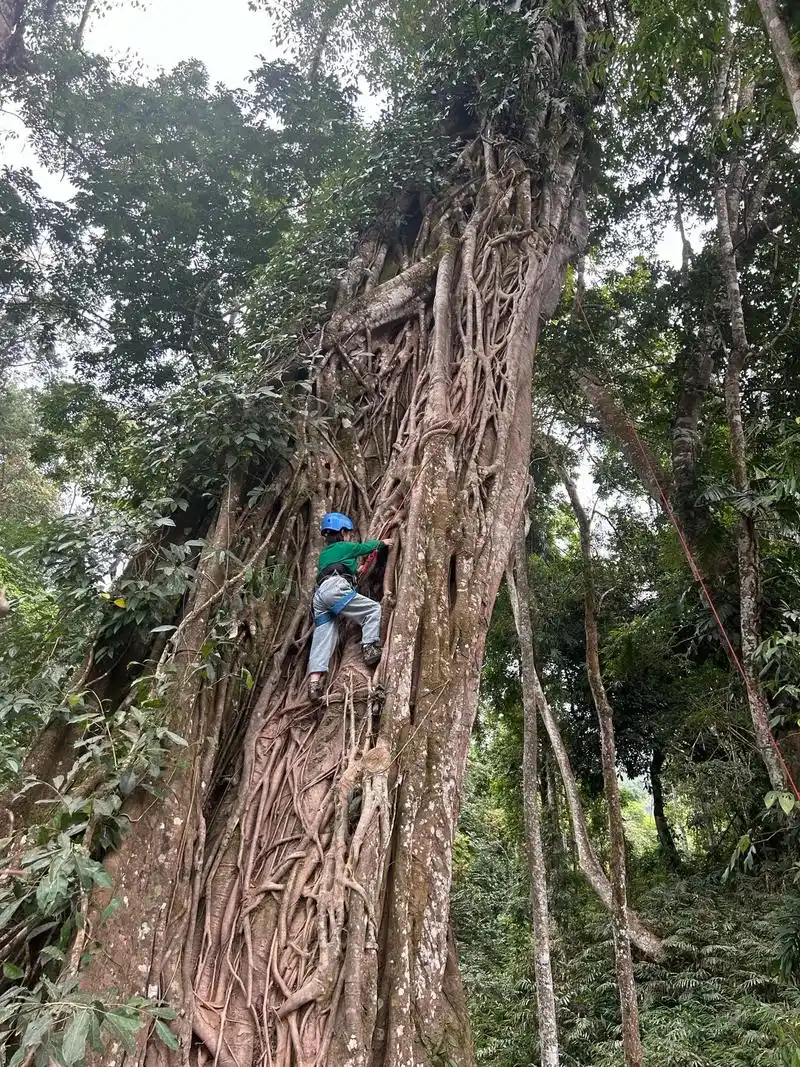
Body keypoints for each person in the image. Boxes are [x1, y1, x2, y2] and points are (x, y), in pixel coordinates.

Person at [307, 512, 391, 702]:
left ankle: (314, 683)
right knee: (372, 609)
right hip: (335, 588)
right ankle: (369, 647)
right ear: (341, 531)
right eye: (346, 532)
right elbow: (363, 548)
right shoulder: (344, 546)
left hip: (320, 597)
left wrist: (356, 572)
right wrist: (383, 543)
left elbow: (340, 568)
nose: (347, 535)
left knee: (324, 637)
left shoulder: (325, 554)